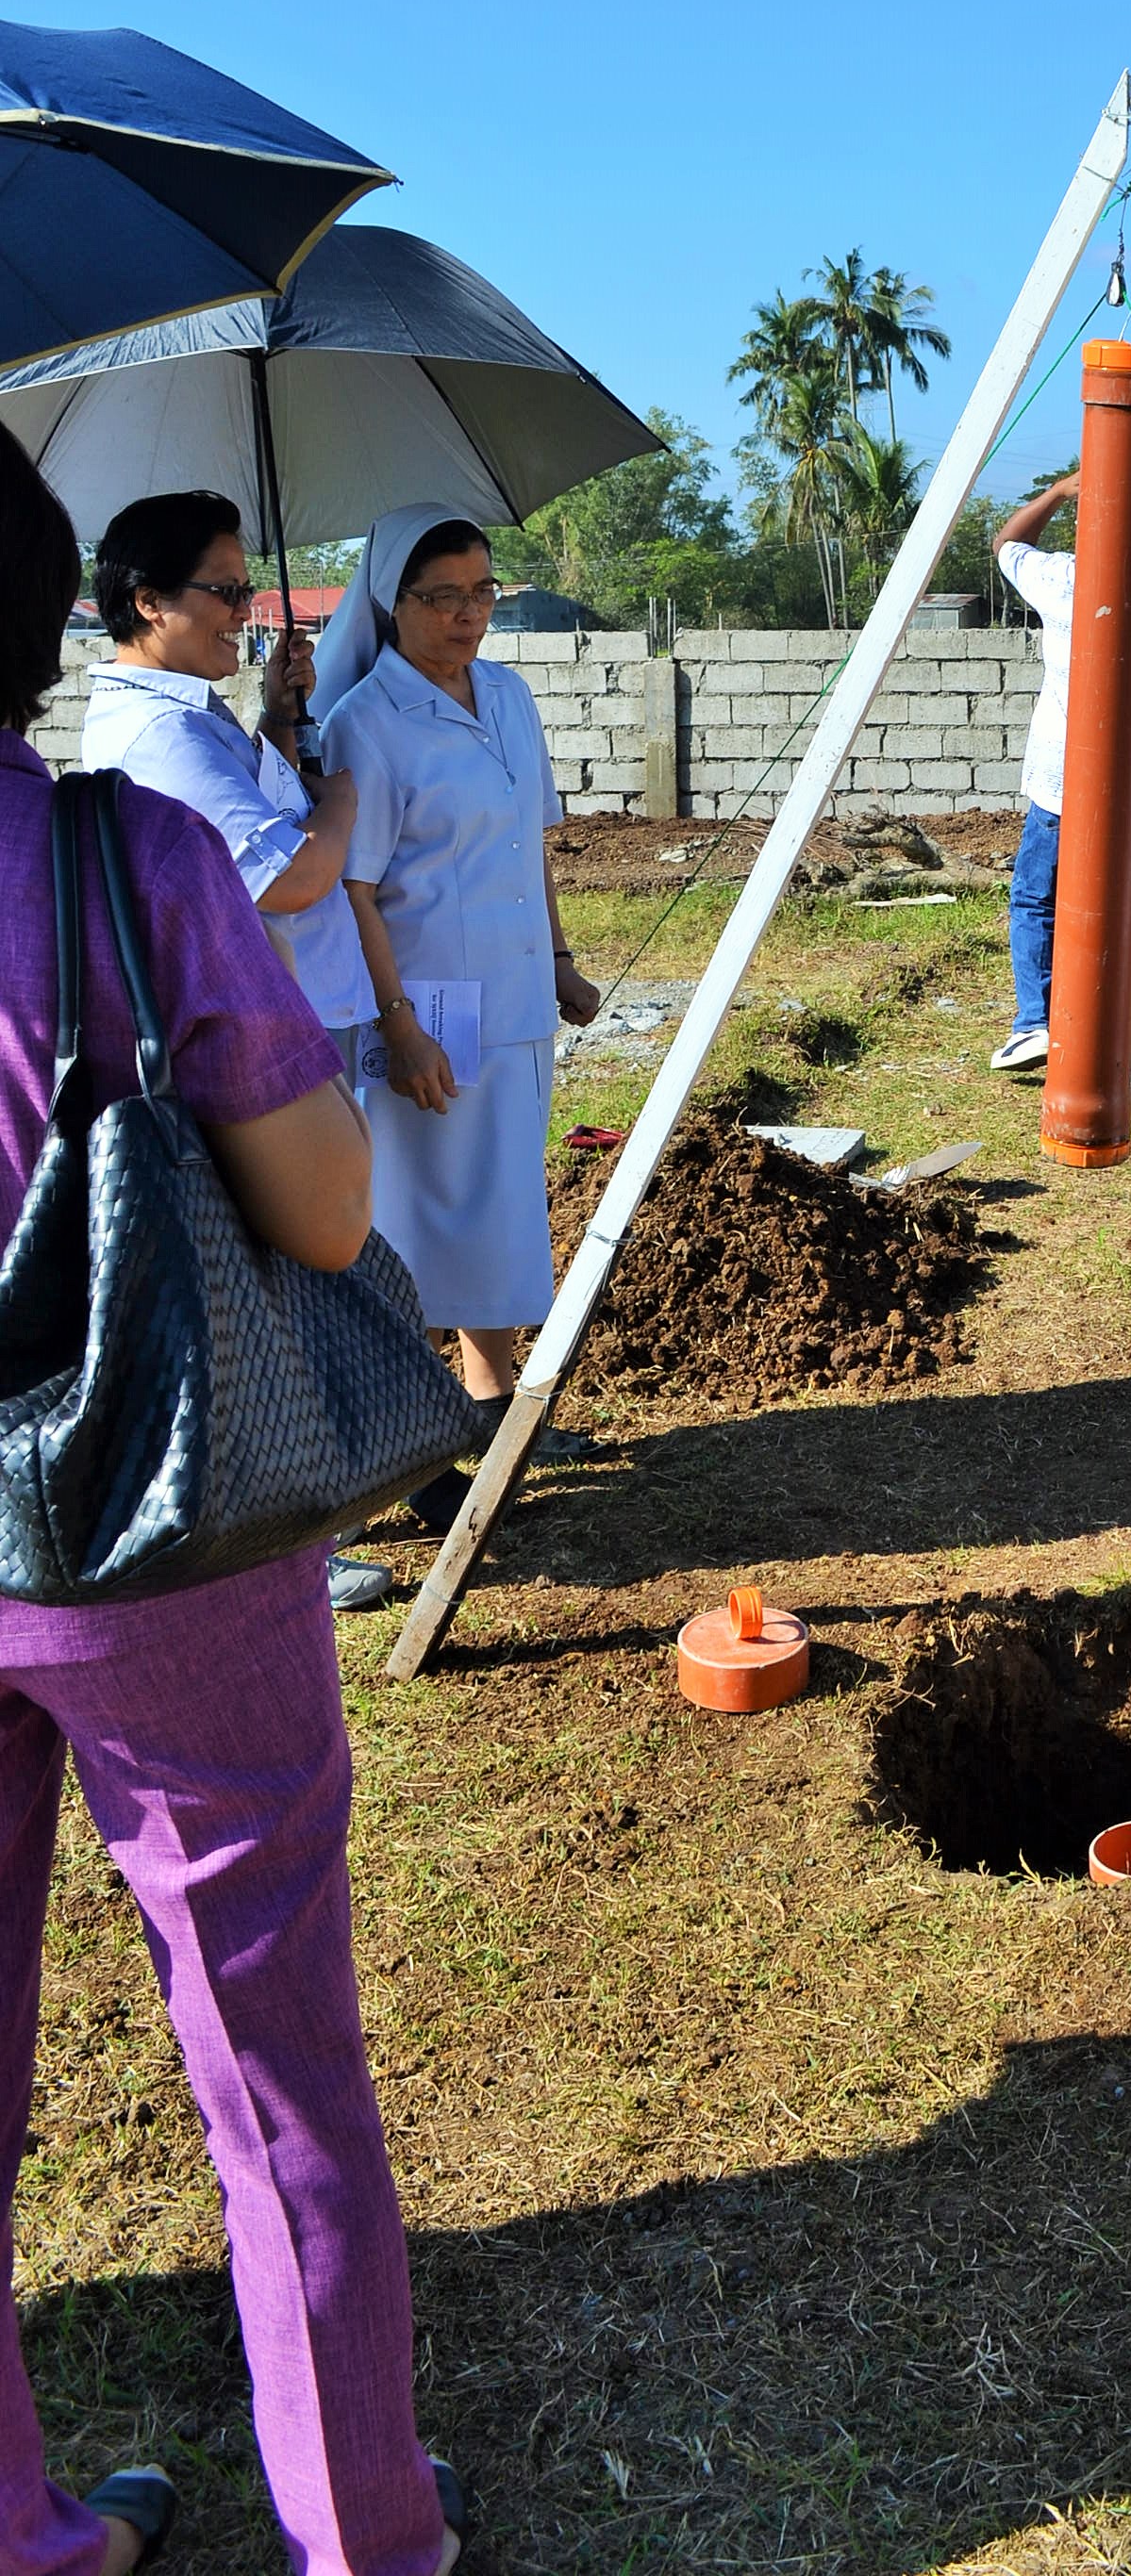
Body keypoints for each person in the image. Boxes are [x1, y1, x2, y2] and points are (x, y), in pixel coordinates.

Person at [0, 430, 470, 2576]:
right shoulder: (126, 857)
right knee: (269, 2046)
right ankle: (363, 2527)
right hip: (148, 1533)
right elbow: (321, 1193)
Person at [77, 490, 393, 1617]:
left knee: (288, 1289)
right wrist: (346, 803)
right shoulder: (156, 735)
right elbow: (291, 876)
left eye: (245, 585)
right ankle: (291, 1533)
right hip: (238, 1053)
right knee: (268, 1293)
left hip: (277, 1020)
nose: (242, 607)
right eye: (221, 588)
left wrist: (275, 720)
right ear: (146, 601)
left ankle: (314, 1512)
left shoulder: (193, 716)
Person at [317, 508, 601, 1529]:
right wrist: (398, 1023)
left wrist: (562, 960)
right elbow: (353, 888)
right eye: (443, 596)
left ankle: (493, 1406)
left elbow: (531, 843)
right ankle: (418, 1438)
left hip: (517, 995)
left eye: (483, 593)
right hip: (431, 1002)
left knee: (501, 1204)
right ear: (392, 602)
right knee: (421, 1219)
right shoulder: (366, 722)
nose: (468, 615)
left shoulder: (511, 697)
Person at [988, 465, 1131, 1089]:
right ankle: (1128, 1057)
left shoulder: (1061, 579)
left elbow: (1006, 543)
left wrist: (1061, 490)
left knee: (1039, 899)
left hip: (1061, 784)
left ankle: (1037, 1021)